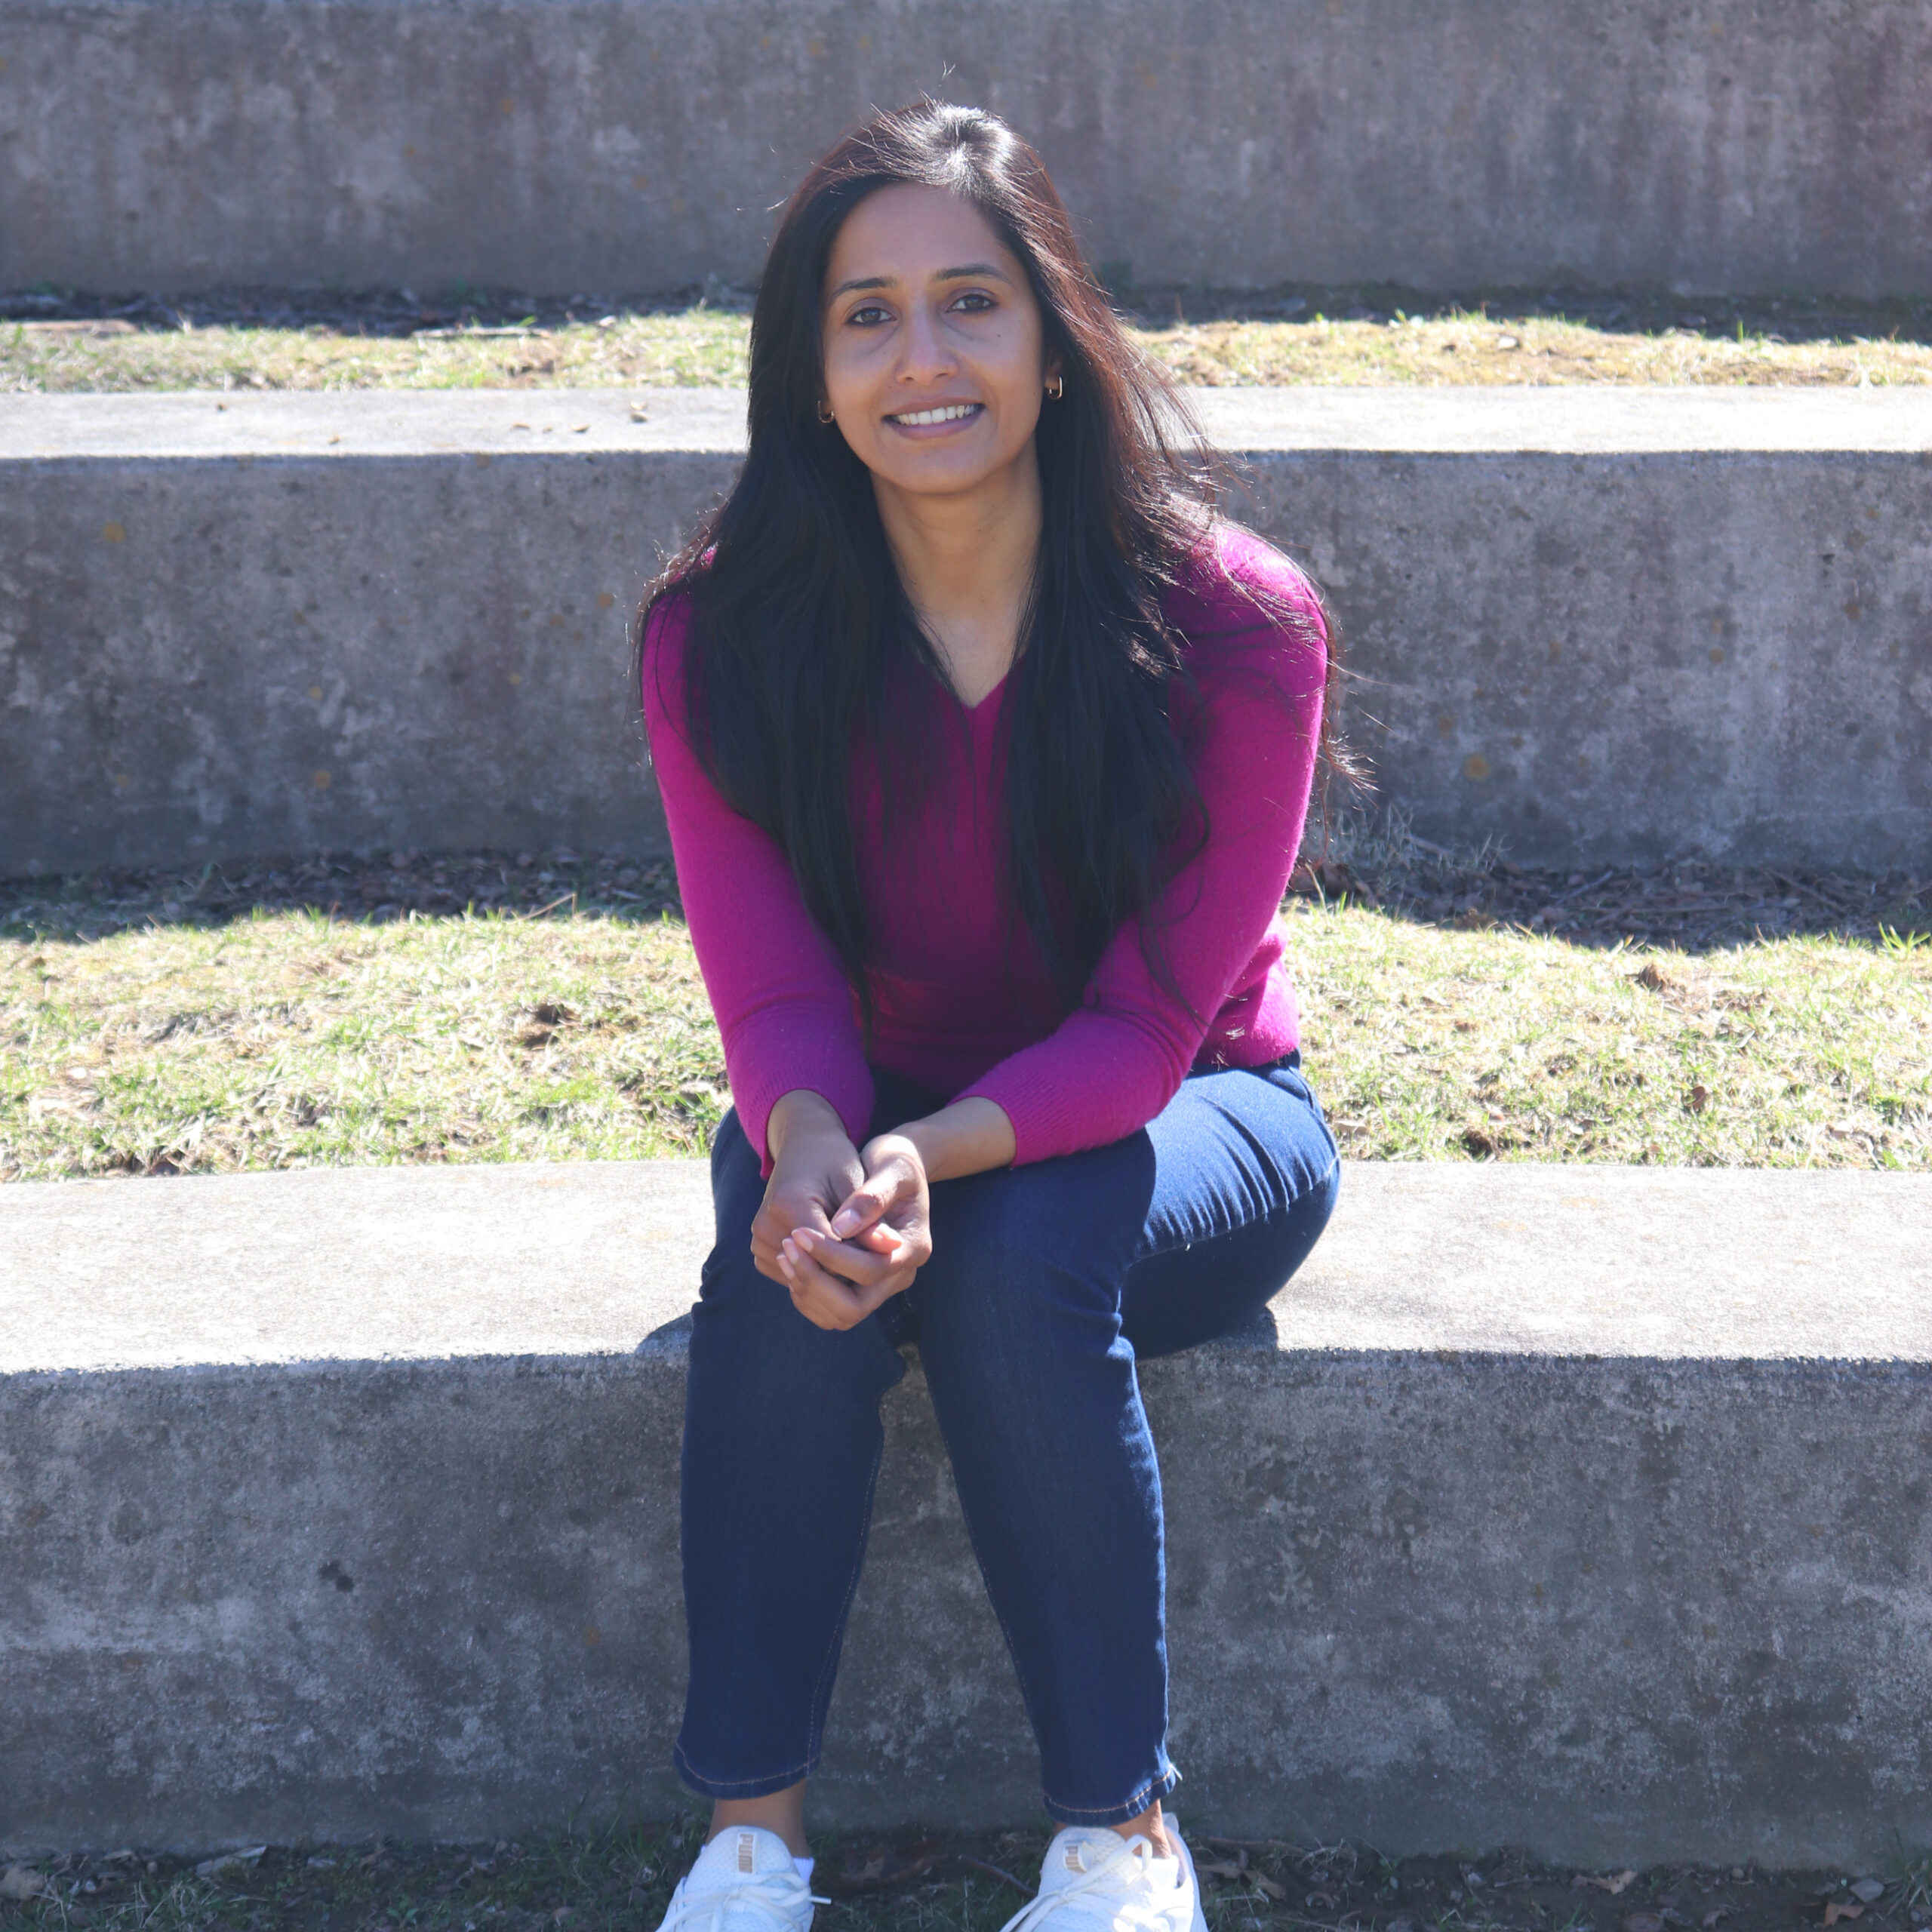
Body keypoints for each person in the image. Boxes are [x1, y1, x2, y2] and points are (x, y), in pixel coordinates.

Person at [638, 100, 1343, 1932]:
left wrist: (922, 1150)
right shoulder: (716, 636)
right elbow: (772, 981)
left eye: (970, 302)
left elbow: (1140, 1024)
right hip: (857, 1098)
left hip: (1191, 1114)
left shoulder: (1236, 624)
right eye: (864, 316)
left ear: (1054, 346)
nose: (921, 356)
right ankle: (748, 1840)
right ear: (805, 370)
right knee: (776, 1235)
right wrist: (813, 1140)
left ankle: (1121, 1841)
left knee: (1019, 1235)